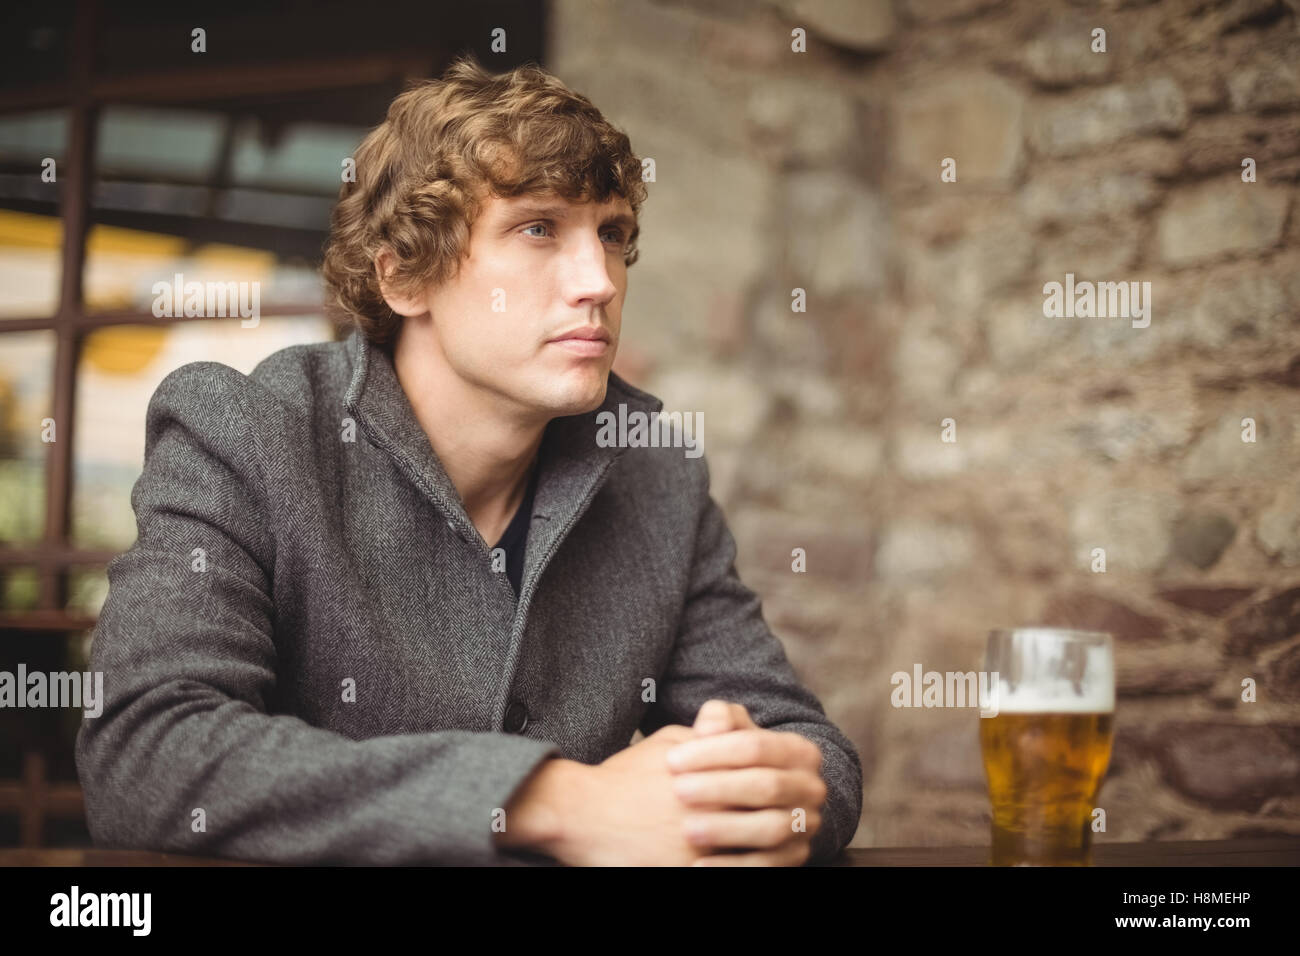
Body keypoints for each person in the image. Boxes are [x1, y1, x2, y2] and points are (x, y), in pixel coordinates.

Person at [75, 54, 862, 866]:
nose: (599, 280)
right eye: (537, 228)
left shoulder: (655, 472)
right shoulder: (243, 432)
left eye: (613, 234)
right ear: (405, 276)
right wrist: (559, 803)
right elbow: (144, 752)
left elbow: (811, 749)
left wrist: (765, 797)